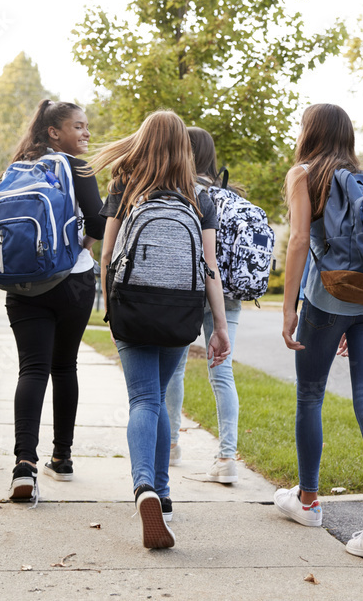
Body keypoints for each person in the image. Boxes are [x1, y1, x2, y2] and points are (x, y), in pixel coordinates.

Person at [93, 110, 231, 549]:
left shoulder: (125, 187)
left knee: (143, 400)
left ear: (143, 140)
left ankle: (143, 487)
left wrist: (110, 308)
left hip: (133, 308)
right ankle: (164, 492)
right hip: (180, 313)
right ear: (183, 148)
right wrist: (219, 328)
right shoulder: (198, 197)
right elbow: (209, 269)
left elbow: (108, 255)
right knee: (162, 397)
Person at [274, 103, 363, 561]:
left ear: (310, 131)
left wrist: (288, 308)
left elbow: (299, 241)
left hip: (327, 302)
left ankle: (308, 501)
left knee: (310, 396)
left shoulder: (304, 173)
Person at [0, 100, 104, 502]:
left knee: (32, 369)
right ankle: (61, 458)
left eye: (86, 126)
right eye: (79, 126)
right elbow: (96, 222)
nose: (86, 133)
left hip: (23, 288)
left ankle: (24, 465)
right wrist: (73, 249)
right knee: (64, 366)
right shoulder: (76, 168)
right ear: (55, 132)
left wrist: (18, 247)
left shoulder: (16, 170)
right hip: (72, 283)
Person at [164, 127, 242, 483]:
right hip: (230, 294)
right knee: (222, 372)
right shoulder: (231, 194)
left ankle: (170, 446)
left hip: (191, 290)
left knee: (175, 370)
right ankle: (227, 458)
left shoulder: (182, 192)